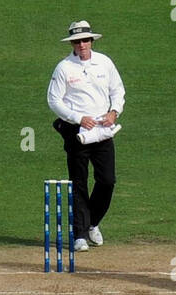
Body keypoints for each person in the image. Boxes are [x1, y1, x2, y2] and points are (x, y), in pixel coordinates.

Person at [47, 20, 125, 253]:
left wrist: (114, 111)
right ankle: (79, 234)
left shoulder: (104, 62)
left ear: (91, 41)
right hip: (76, 132)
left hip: (102, 130)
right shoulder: (64, 68)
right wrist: (78, 117)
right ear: (72, 43)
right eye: (77, 41)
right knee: (78, 182)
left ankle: (92, 223)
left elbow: (118, 90)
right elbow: (54, 100)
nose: (82, 44)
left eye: (85, 40)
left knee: (107, 180)